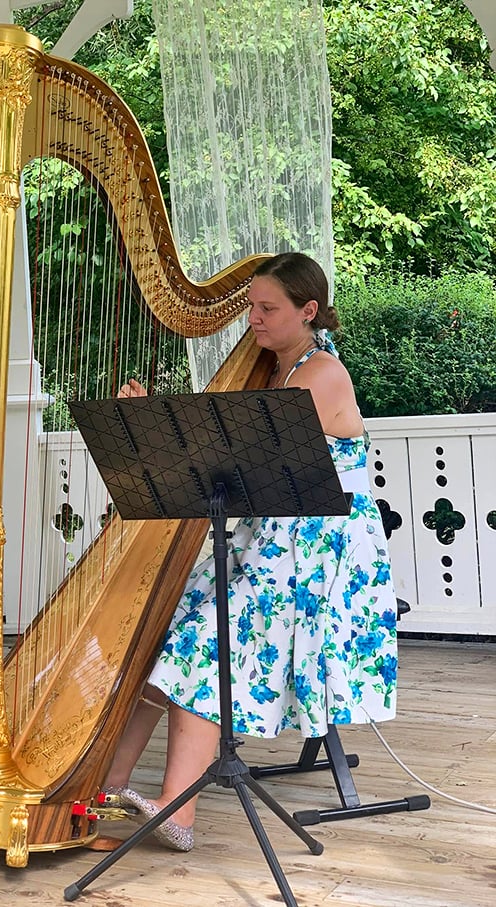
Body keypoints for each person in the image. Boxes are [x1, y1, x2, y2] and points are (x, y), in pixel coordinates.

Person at [103, 251, 398, 852]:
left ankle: (176, 813)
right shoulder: (275, 370)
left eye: (268, 309)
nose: (253, 320)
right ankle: (106, 787)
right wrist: (150, 425)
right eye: (251, 307)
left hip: (322, 557)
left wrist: (156, 425)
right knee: (170, 630)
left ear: (308, 310)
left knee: (205, 640)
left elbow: (234, 459)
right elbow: (225, 458)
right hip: (272, 543)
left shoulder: (321, 376)